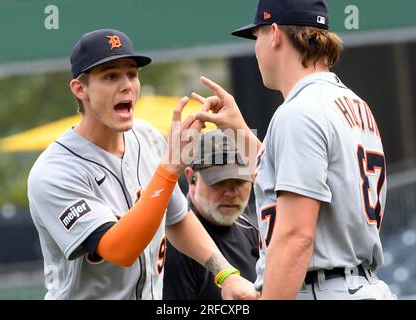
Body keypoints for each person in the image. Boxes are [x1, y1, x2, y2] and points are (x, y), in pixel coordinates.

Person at [27, 28, 258, 300]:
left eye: (132, 74)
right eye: (111, 76)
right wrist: (168, 170)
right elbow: (120, 251)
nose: (126, 85)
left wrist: (224, 274)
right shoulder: (53, 172)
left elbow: (178, 219)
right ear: (80, 89)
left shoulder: (147, 137)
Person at [192, 0, 396, 300]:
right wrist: (238, 130)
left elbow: (296, 238)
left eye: (257, 36)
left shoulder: (299, 112)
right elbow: (292, 176)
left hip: (322, 288)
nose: (256, 47)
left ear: (274, 33)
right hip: (361, 285)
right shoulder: (353, 103)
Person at [163, 130, 259, 299]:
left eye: (239, 181)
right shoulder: (175, 244)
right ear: (192, 178)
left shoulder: (253, 231)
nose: (230, 193)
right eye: (219, 182)